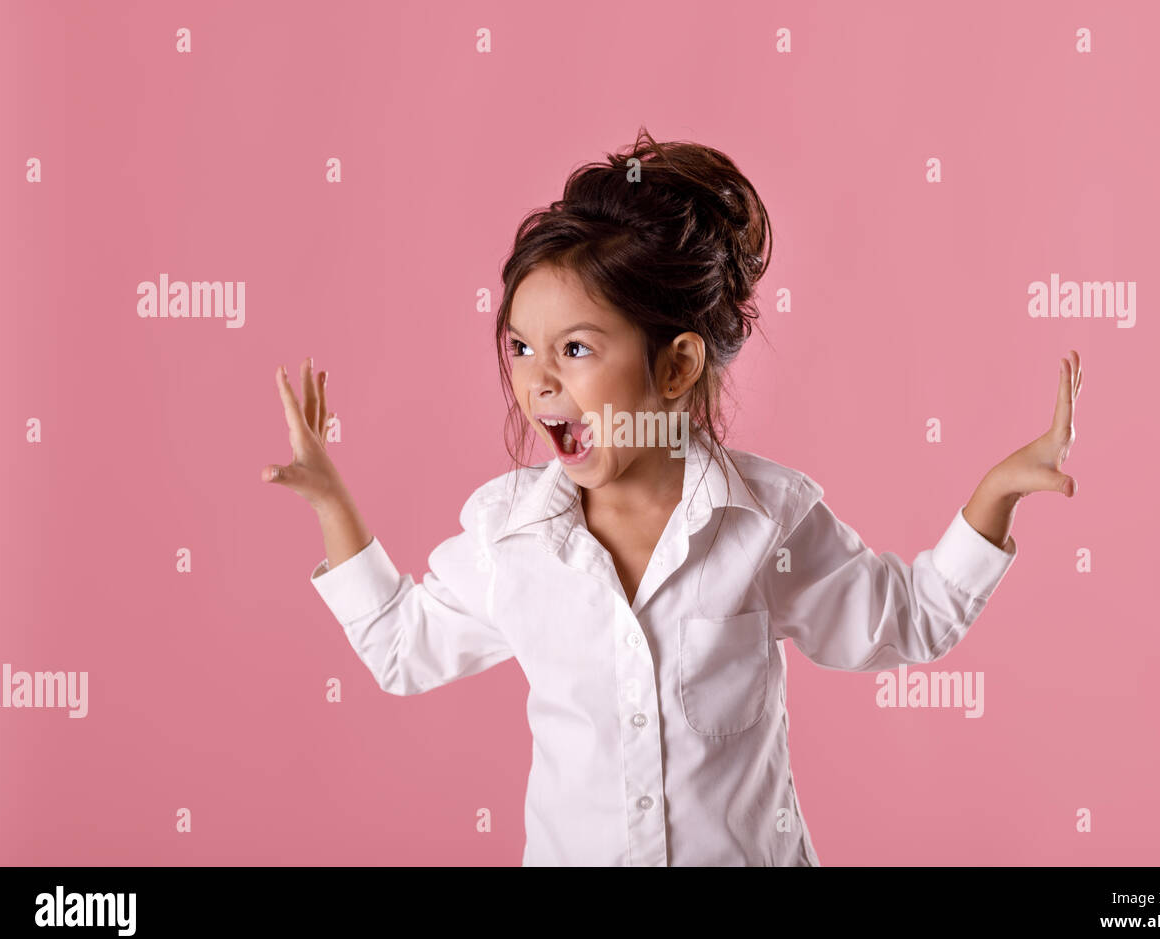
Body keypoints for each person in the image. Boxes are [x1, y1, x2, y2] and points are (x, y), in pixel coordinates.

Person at [261, 127, 1083, 866]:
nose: (537, 380)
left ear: (678, 367)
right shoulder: (506, 534)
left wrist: (998, 493)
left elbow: (905, 619)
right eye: (519, 345)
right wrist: (332, 503)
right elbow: (405, 648)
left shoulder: (767, 518)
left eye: (576, 348)